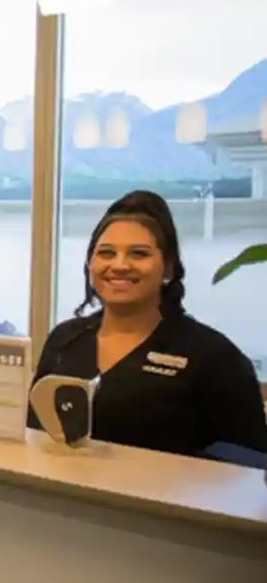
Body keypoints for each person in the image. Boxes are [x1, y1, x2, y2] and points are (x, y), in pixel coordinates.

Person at [29, 190, 267, 458]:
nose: (119, 265)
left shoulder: (213, 357)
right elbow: (31, 434)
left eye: (139, 254)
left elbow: (251, 469)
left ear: (168, 268)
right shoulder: (65, 339)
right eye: (106, 253)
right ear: (90, 264)